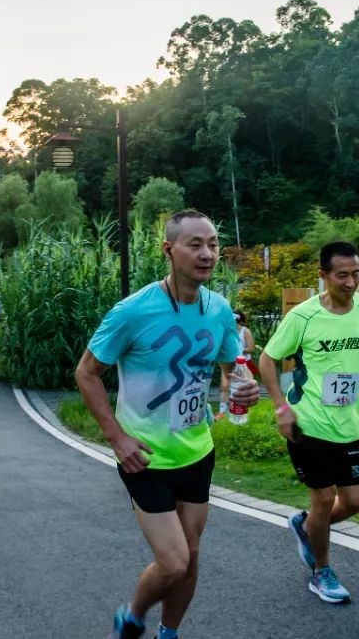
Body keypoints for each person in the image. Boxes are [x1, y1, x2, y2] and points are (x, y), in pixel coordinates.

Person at [75, 210, 259, 639]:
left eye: (212, 244)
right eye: (194, 244)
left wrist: (244, 387)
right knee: (173, 561)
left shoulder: (219, 309)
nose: (207, 254)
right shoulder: (133, 311)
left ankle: (169, 634)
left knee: (191, 558)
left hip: (197, 450)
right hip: (146, 456)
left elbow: (235, 366)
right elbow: (86, 372)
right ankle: (134, 615)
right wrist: (116, 438)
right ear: (168, 250)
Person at [259, 241, 359, 604]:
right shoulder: (302, 317)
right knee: (324, 498)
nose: (351, 282)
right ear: (323, 276)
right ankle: (322, 571)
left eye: (356, 274)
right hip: (308, 424)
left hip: (346, 425)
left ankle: (307, 528)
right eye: (342, 275)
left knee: (354, 501)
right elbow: (267, 360)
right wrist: (279, 407)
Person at [216, 309, 257, 420]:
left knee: (241, 390)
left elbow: (251, 348)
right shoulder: (227, 331)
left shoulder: (245, 331)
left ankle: (241, 412)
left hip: (243, 365)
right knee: (224, 386)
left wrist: (237, 350)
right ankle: (222, 412)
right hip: (228, 362)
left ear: (237, 320)